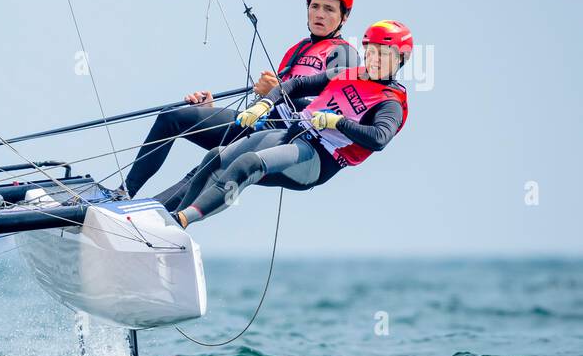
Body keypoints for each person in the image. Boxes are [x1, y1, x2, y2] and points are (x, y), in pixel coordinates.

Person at [123, 0, 360, 206]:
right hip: (262, 124)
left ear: (344, 17)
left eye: (329, 9)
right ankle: (124, 194)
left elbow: (332, 110)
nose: (319, 13)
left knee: (212, 166)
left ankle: (146, 216)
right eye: (315, 6)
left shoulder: (343, 54)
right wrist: (210, 111)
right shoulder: (297, 50)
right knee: (173, 117)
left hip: (293, 141)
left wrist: (278, 90)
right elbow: (275, 102)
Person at [168, 20, 412, 227]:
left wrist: (337, 122)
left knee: (249, 163)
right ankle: (170, 223)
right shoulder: (348, 73)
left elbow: (379, 138)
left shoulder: (390, 102)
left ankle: (183, 220)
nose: (374, 59)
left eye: (383, 54)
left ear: (401, 58)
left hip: (317, 157)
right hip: (293, 134)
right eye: (370, 51)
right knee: (215, 158)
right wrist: (263, 104)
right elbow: (294, 85)